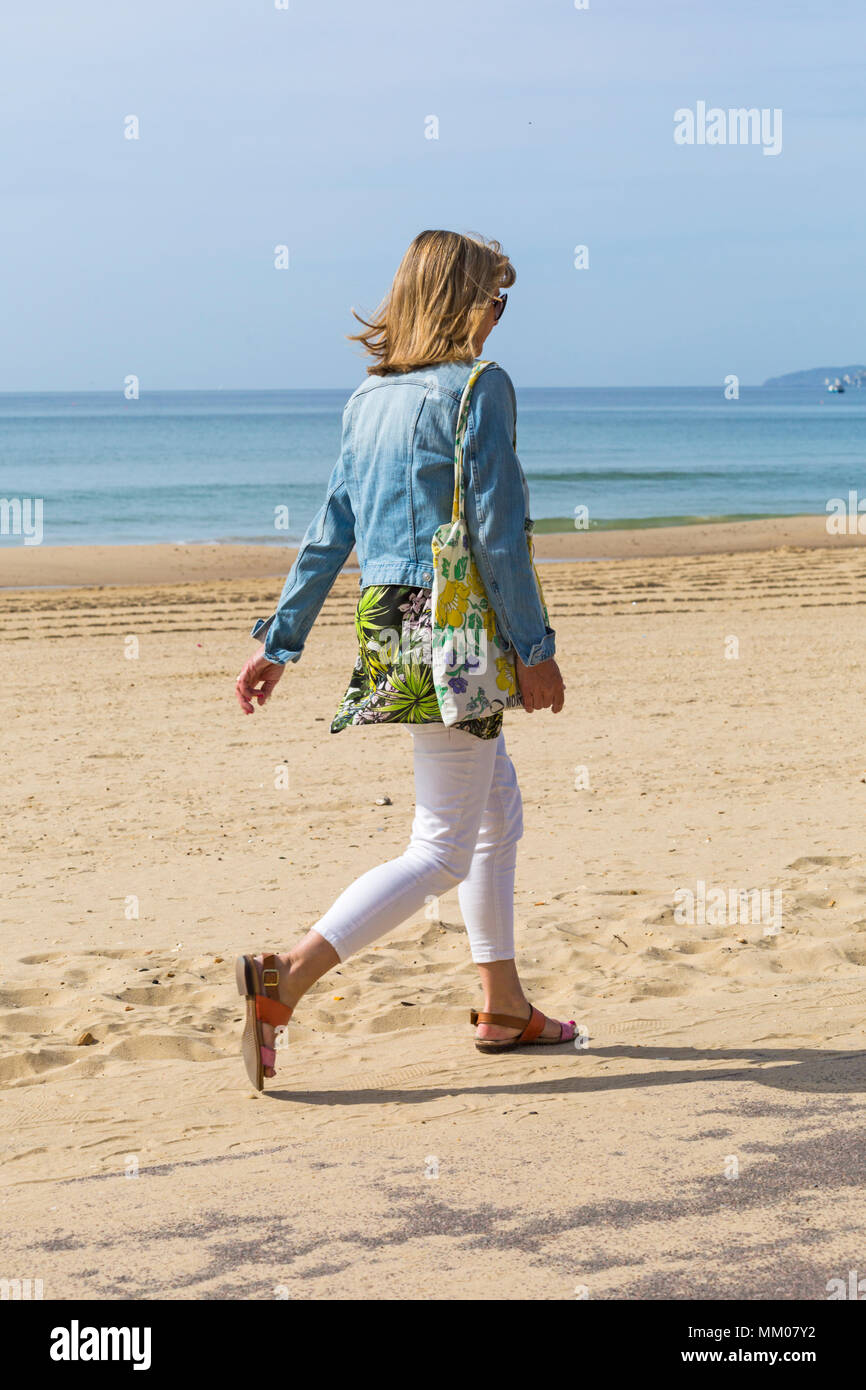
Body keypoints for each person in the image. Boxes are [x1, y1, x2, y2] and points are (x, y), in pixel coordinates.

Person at [234, 230, 573, 1090]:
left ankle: (503, 1003)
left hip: (391, 620)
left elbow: (330, 530)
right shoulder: (478, 391)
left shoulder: (367, 400)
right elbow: (495, 535)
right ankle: (288, 978)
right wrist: (535, 650)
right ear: (461, 301)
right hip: (458, 627)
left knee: (498, 812)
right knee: (442, 847)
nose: (501, 314)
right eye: (494, 296)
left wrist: (281, 642)